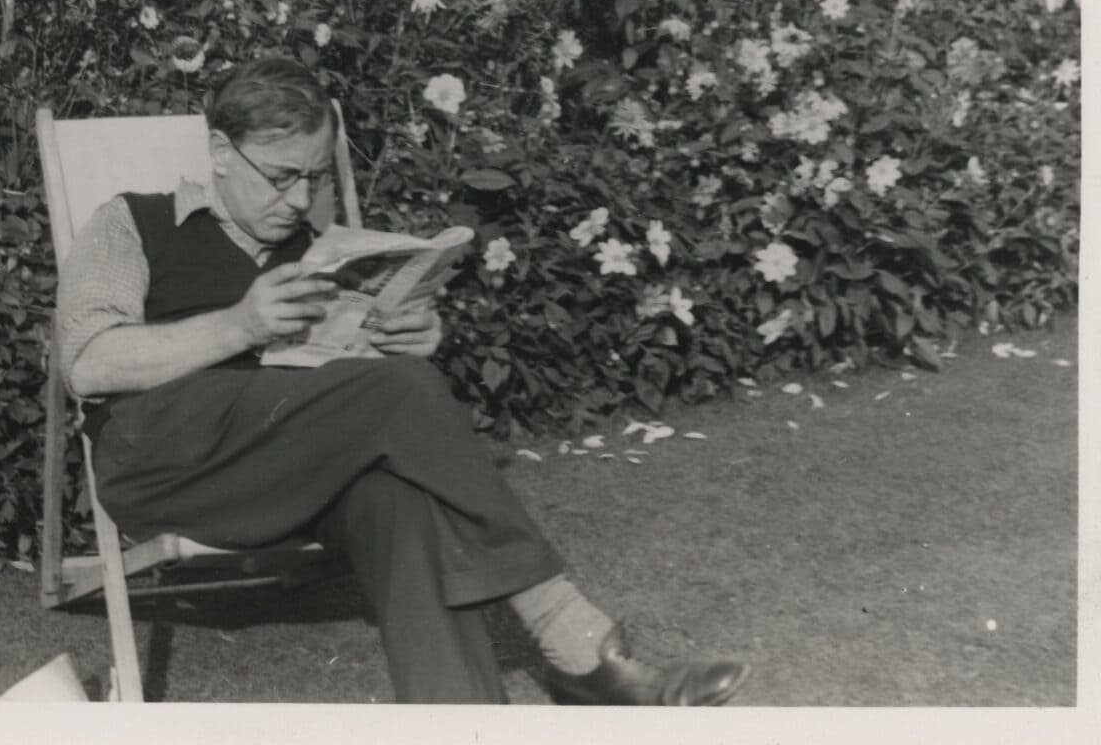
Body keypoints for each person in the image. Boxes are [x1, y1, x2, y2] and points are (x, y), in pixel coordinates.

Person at [56, 58, 750, 705]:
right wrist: (238, 326)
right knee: (400, 392)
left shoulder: (323, 251)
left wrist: (400, 336)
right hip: (163, 455)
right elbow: (87, 362)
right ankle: (570, 633)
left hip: (286, 463)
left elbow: (339, 382)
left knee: (396, 498)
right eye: (281, 176)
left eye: (317, 177)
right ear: (218, 154)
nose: (301, 199)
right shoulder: (135, 222)